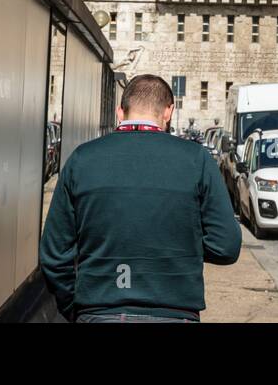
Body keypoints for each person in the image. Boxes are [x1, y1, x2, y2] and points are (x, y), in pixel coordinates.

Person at [40, 74, 241, 322]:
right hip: (174, 311)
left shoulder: (82, 160)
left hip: (99, 308)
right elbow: (227, 246)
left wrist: (75, 306)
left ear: (119, 112)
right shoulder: (196, 159)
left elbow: (53, 253)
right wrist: (179, 245)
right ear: (168, 112)